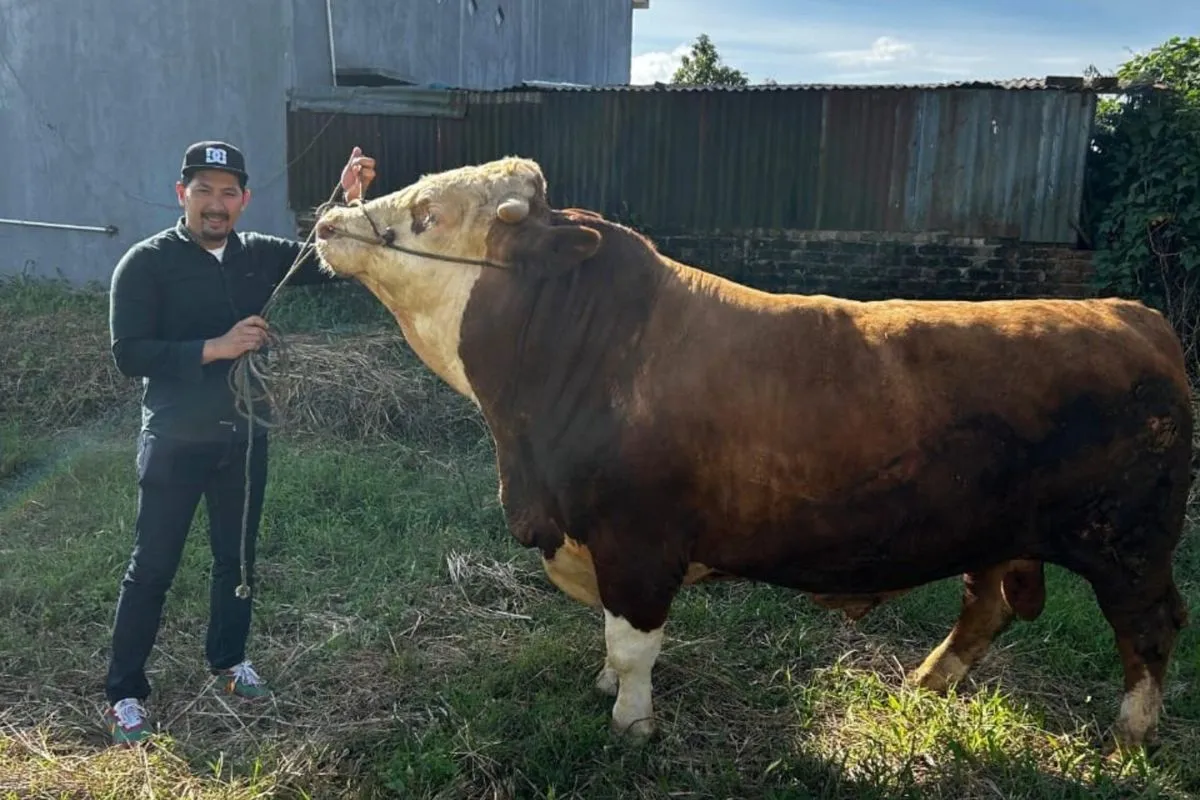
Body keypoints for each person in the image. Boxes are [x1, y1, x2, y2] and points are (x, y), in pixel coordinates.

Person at [102, 140, 376, 746]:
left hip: (245, 439)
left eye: (229, 192)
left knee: (238, 561)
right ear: (183, 195)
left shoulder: (258, 256)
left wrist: (349, 203)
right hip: (174, 440)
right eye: (204, 190)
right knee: (151, 569)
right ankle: (124, 692)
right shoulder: (146, 263)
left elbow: (325, 261)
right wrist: (215, 348)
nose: (216, 205)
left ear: (245, 200)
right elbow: (128, 354)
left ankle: (228, 660)